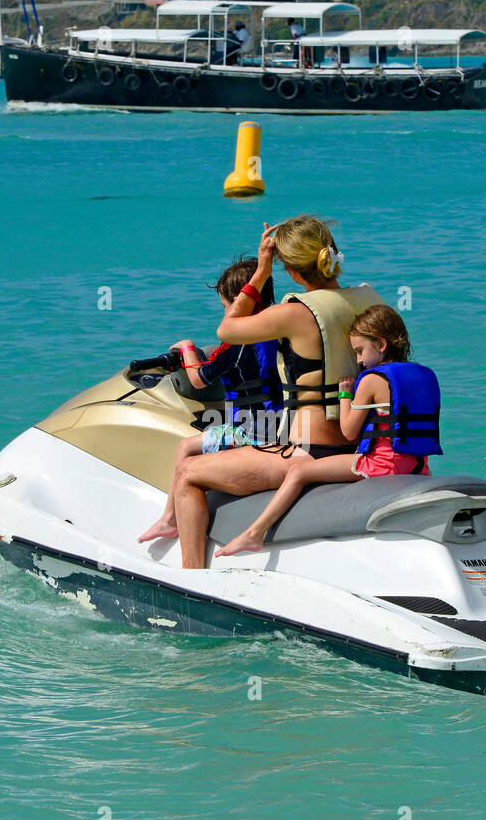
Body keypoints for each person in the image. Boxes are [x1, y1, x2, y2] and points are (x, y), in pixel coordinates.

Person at [161, 215, 387, 569]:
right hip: (360, 443)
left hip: (311, 450)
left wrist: (261, 270)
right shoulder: (370, 298)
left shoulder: (295, 313)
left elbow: (228, 329)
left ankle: (193, 581)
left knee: (188, 472)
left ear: (293, 272)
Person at [215, 305, 440, 557]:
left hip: (380, 465)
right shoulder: (424, 375)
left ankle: (254, 533)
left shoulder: (371, 380)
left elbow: (349, 432)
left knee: (299, 471)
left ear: (381, 343)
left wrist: (345, 393)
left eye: (359, 351)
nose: (359, 360)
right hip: (419, 467)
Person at [138, 257, 280, 543]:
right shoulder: (279, 330)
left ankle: (169, 519)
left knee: (185, 447)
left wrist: (188, 348)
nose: (226, 314)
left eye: (227, 306)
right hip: (280, 426)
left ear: (241, 304)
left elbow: (200, 378)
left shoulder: (236, 342)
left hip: (252, 434)